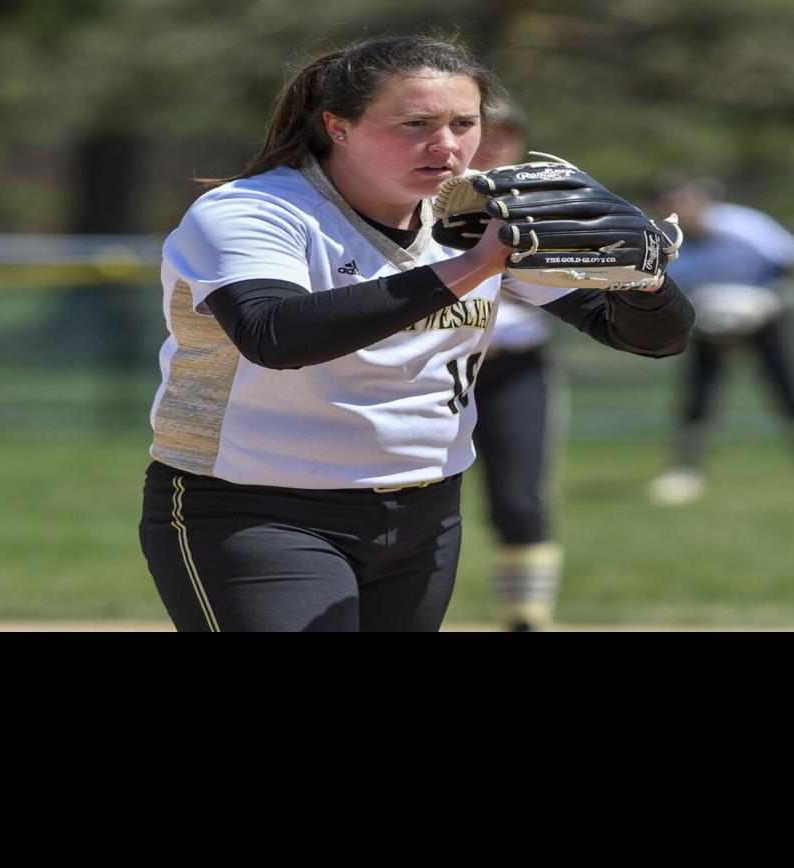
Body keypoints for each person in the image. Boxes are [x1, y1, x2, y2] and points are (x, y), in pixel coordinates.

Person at [137, 36, 693, 632]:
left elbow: (650, 337)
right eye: (416, 123)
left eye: (464, 123)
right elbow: (275, 335)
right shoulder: (255, 211)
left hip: (424, 513)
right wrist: (476, 264)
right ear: (338, 126)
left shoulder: (471, 218)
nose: (448, 145)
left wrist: (643, 280)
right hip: (256, 507)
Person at [645, 175, 794, 505]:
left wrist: (766, 304)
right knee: (699, 392)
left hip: (765, 317)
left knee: (791, 389)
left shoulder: (746, 225)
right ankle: (685, 469)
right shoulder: (663, 240)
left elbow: (790, 263)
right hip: (705, 323)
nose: (679, 209)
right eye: (669, 203)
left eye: (685, 201)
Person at [464, 104, 567, 631]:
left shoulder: (546, 203)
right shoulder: (413, 199)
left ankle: (526, 618)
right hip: (429, 366)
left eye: (508, 134)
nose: (495, 144)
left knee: (517, 498)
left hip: (514, 368)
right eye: (484, 131)